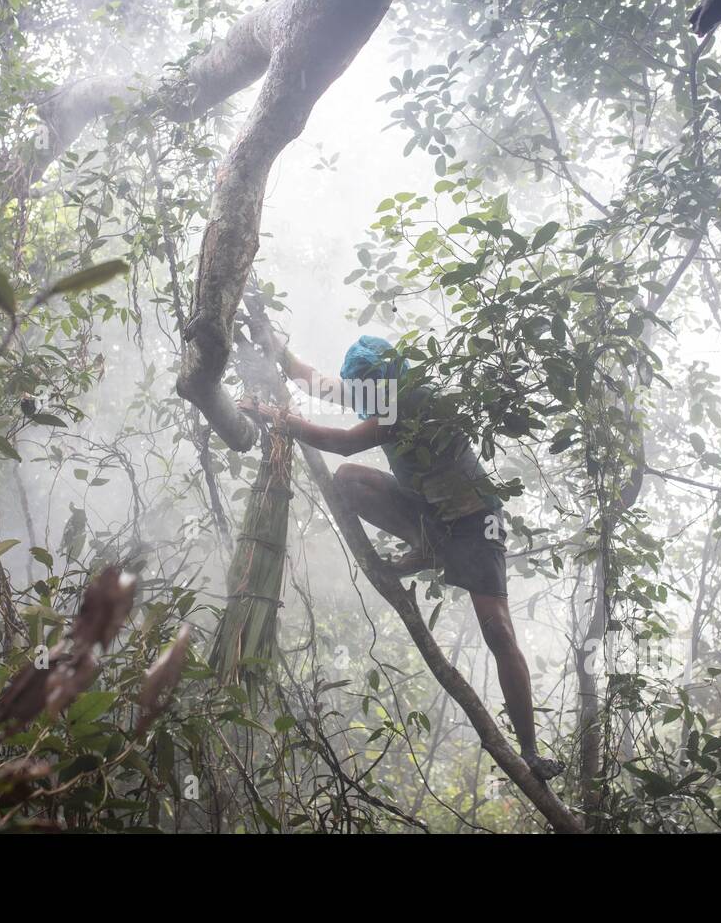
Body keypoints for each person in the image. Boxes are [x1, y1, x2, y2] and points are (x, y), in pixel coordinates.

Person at [238, 333, 563, 781]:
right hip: (428, 513)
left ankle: (528, 751)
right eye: (363, 386)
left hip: (476, 521)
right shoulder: (376, 394)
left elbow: (343, 441)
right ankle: (426, 546)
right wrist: (272, 344)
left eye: (374, 383)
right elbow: (311, 380)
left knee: (498, 631)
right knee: (350, 481)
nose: (368, 393)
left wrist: (275, 418)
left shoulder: (416, 398)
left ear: (391, 376)